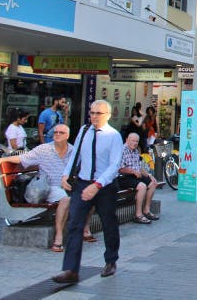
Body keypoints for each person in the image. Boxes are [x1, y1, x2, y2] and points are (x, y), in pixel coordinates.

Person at [53, 100, 123, 284]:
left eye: (97, 113)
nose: (93, 116)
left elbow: (114, 166)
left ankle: (111, 260)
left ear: (107, 115)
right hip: (83, 183)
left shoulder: (113, 136)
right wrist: (66, 174)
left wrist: (97, 185)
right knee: (75, 224)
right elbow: (76, 155)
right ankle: (70, 269)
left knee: (109, 223)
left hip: (104, 186)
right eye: (91, 112)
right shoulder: (84, 131)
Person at [0, 123, 95, 252]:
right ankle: (58, 237)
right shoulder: (43, 149)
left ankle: (85, 228)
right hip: (49, 187)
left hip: (69, 186)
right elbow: (23, 158)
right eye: (55, 132)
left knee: (91, 195)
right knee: (66, 199)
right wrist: (1, 160)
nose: (57, 135)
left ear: (68, 136)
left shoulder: (73, 151)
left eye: (61, 133)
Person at [117, 133, 159, 225]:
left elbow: (139, 167)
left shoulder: (135, 151)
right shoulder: (122, 150)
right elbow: (120, 169)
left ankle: (146, 210)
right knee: (142, 186)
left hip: (136, 175)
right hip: (123, 177)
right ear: (127, 140)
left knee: (152, 183)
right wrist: (133, 172)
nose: (135, 143)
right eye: (133, 140)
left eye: (136, 141)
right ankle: (138, 215)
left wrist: (149, 175)